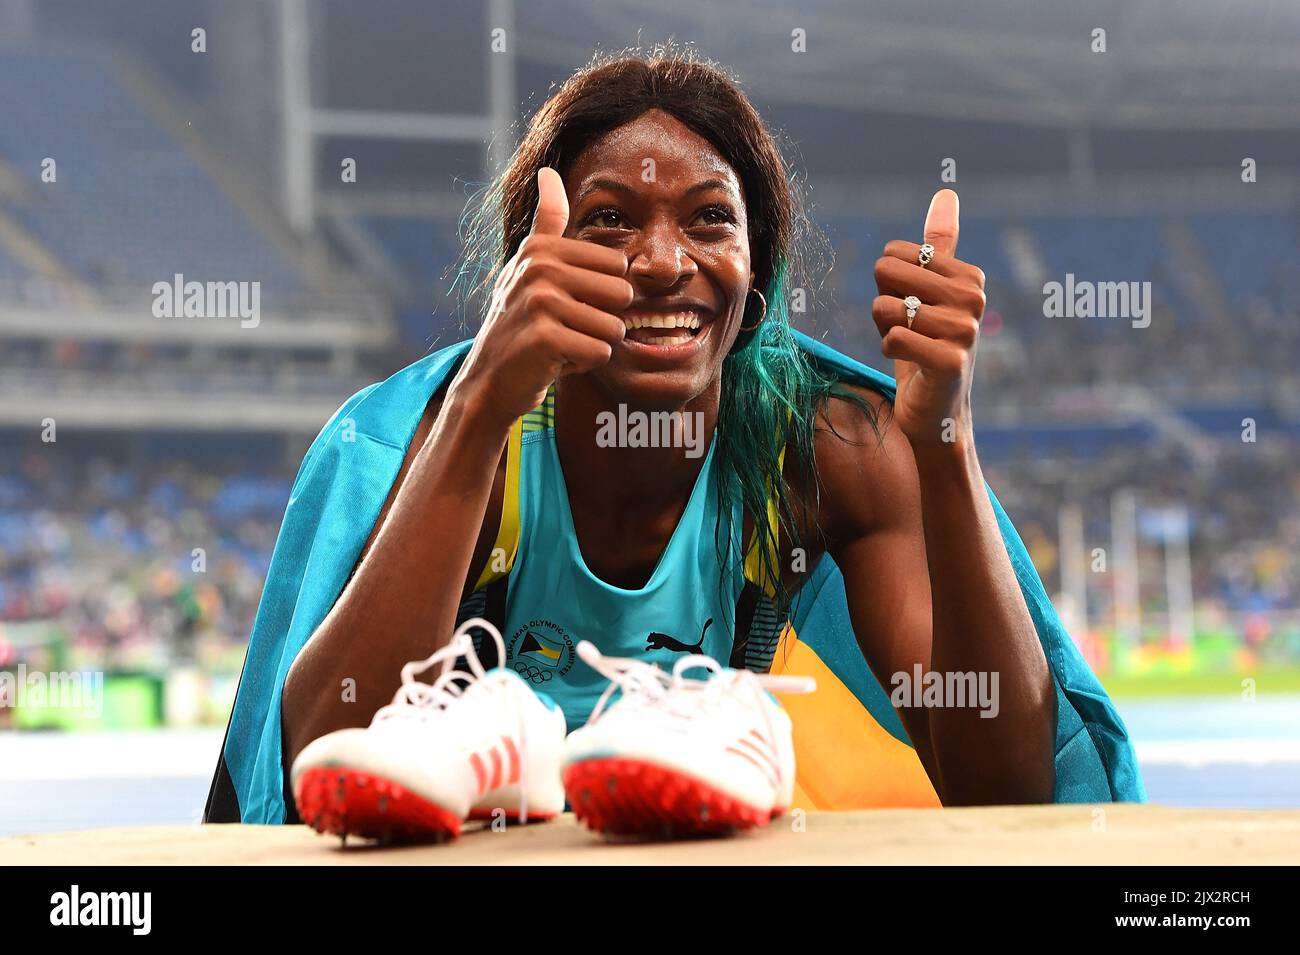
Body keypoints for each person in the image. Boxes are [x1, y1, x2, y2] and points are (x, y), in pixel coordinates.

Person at [205, 46, 1142, 825]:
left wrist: (945, 440)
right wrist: (484, 399)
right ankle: (510, 731)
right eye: (610, 220)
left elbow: (1010, 793)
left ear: (756, 271)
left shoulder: (823, 447)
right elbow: (311, 770)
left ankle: (680, 722)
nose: (663, 262)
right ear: (536, 263)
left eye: (710, 220)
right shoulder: (469, 432)